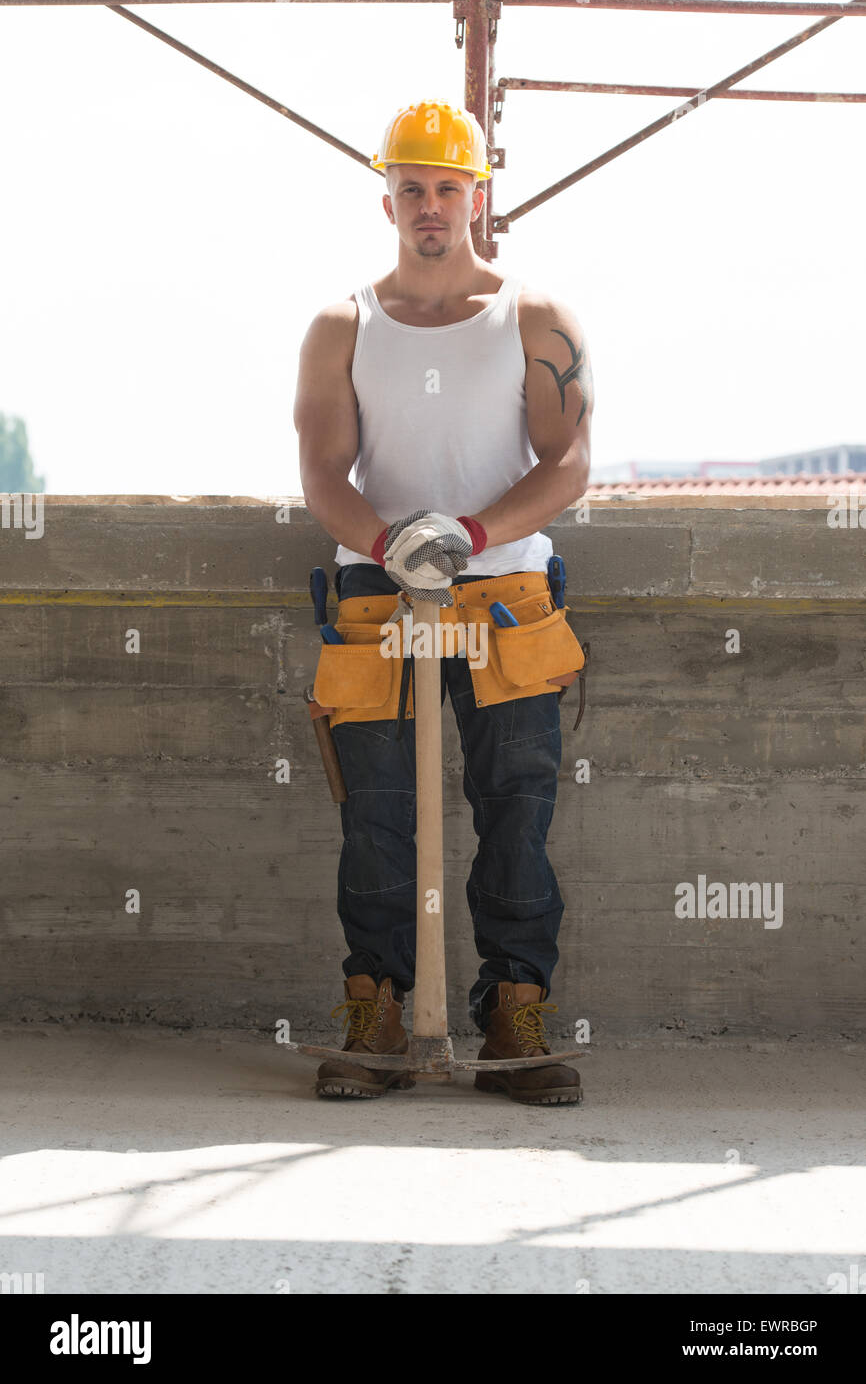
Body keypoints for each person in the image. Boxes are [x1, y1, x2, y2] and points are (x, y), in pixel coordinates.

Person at [294, 100, 593, 1106]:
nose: (431, 205)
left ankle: (515, 1012)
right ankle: (378, 1010)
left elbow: (570, 462)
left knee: (517, 806)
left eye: (448, 188)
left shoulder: (536, 317)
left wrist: (464, 534)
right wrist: (391, 545)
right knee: (375, 814)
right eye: (413, 189)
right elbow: (325, 473)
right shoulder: (344, 325)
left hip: (504, 590)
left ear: (478, 195)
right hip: (376, 591)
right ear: (388, 200)